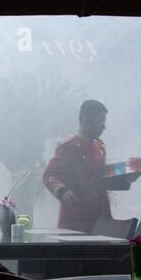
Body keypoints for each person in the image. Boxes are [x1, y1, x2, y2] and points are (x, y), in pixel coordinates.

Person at [42, 99, 134, 232]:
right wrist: (64, 193)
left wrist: (127, 179)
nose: (104, 127)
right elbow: (49, 176)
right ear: (85, 120)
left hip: (101, 221)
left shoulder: (100, 147)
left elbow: (99, 182)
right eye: (100, 121)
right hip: (76, 223)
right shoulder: (69, 147)